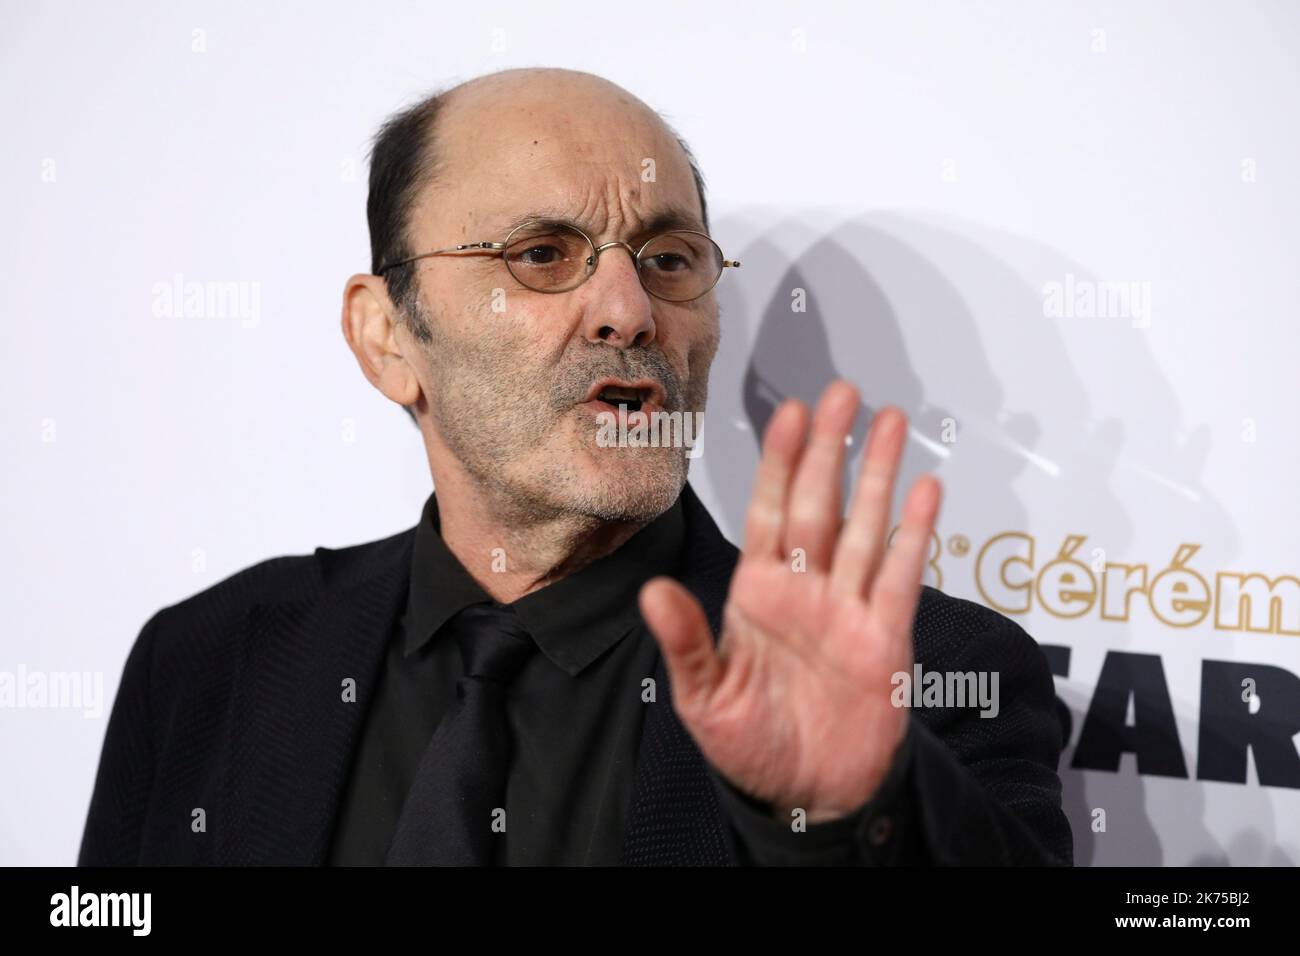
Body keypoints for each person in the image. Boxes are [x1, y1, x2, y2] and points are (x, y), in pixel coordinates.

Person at [77, 67, 1072, 866]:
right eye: (542, 253)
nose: (630, 313)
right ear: (388, 337)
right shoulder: (212, 656)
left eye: (670, 258)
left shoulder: (932, 669)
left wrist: (845, 813)